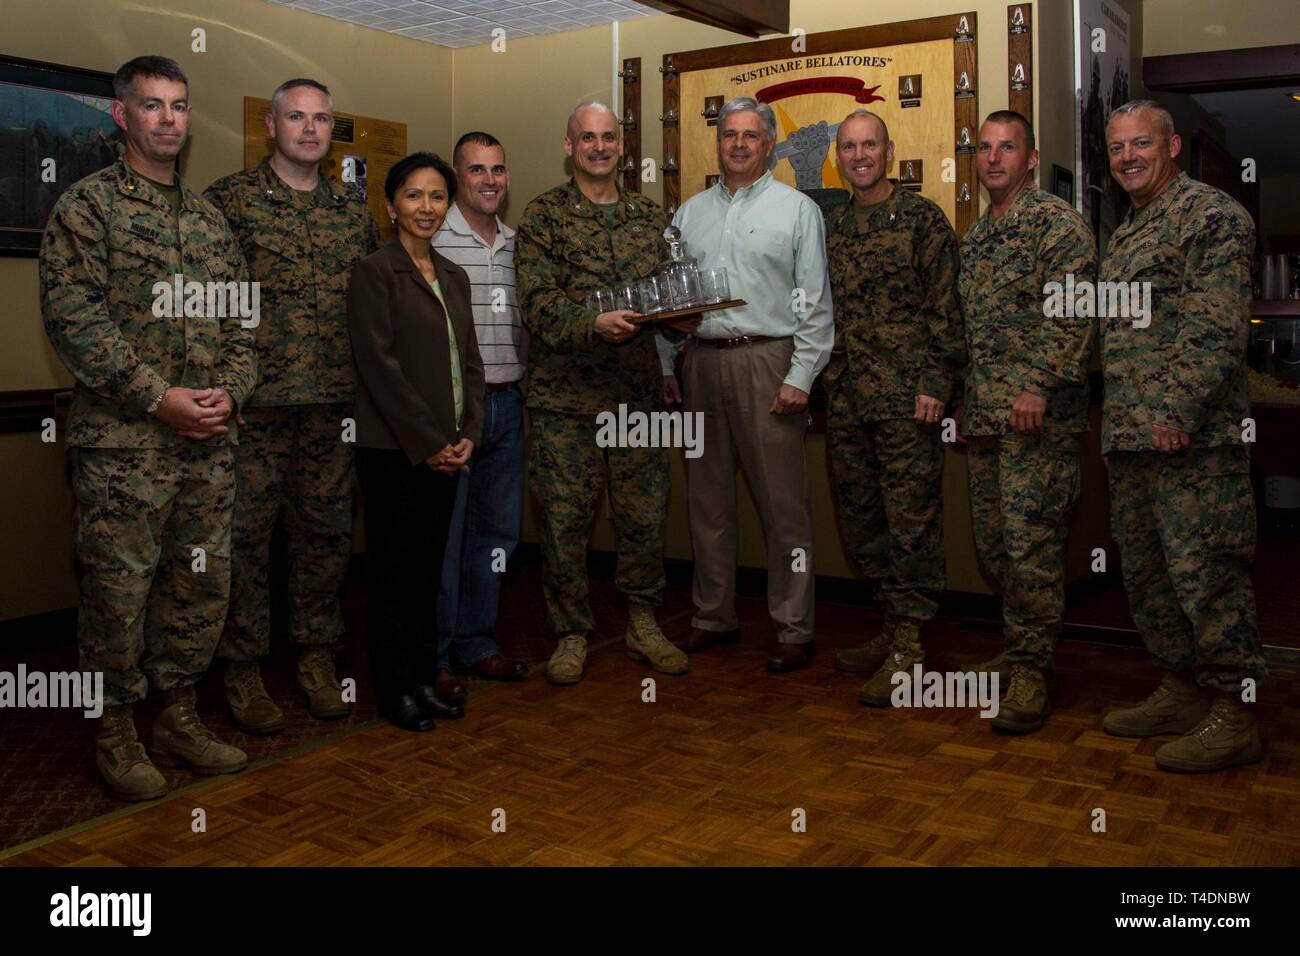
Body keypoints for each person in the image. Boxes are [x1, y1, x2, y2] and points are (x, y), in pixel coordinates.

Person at [39, 55, 256, 800]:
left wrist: (229, 390)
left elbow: (243, 324)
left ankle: (178, 716)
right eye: (153, 105)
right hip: (125, 450)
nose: (169, 118)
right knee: (118, 596)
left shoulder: (208, 221)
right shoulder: (86, 207)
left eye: (180, 105)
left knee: (198, 589)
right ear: (122, 116)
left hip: (208, 447)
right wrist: (156, 396)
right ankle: (115, 731)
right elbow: (75, 320)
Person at [205, 78, 380, 733]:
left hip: (332, 406)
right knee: (243, 541)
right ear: (272, 127)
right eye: (296, 117)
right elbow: (210, 306)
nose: (310, 129)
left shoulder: (351, 211)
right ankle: (243, 668)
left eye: (321, 119)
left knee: (325, 538)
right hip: (255, 408)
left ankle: (314, 657)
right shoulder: (230, 202)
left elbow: (368, 313)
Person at [1098, 100, 1265, 772]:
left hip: (1193, 442)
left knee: (1209, 576)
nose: (1128, 157)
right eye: (1116, 148)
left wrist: (1174, 410)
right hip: (1131, 439)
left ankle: (1235, 712)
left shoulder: (1214, 217)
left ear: (1172, 146)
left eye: (1141, 143)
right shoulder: (1125, 233)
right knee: (1148, 576)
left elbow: (1217, 329)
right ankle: (1182, 687)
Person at [516, 101, 697, 686]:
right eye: (586, 138)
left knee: (644, 518)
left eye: (609, 138)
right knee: (564, 523)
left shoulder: (652, 219)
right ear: (569, 147)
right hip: (564, 401)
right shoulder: (543, 217)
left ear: (622, 147)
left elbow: (674, 294)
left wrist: (683, 321)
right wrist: (591, 324)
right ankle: (570, 633)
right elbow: (537, 305)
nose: (599, 147)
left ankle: (643, 623)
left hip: (636, 399)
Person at [661, 95, 833, 672]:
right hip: (702, 362)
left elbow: (814, 304)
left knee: (784, 509)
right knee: (707, 503)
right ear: (719, 142)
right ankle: (714, 617)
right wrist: (668, 364)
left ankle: (793, 626)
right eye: (729, 134)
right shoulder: (688, 214)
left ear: (769, 144)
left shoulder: (797, 210)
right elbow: (670, 298)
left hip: (769, 362)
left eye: (750, 135)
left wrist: (801, 377)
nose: (738, 144)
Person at [956, 110, 1096, 733]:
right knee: (995, 545)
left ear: (1031, 159)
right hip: (986, 420)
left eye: (1006, 147)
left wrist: (1038, 383)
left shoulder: (1056, 226)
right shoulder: (978, 236)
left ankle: (1033, 671)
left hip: (1037, 422)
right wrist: (963, 398)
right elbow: (971, 334)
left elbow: (1073, 313)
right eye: (984, 148)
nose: (992, 158)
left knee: (1032, 545)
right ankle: (1019, 649)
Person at [821, 110, 965, 705]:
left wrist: (936, 382)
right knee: (861, 522)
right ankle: (889, 626)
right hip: (849, 399)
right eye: (849, 147)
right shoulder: (832, 226)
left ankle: (911, 643)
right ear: (838, 154)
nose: (859, 156)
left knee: (911, 526)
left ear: (888, 150)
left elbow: (945, 310)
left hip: (909, 402)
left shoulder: (922, 220)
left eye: (869, 145)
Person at [347, 152, 483, 731]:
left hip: (449, 452)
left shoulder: (454, 275)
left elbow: (470, 365)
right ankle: (395, 689)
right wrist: (429, 442)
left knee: (429, 574)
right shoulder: (374, 272)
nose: (425, 207)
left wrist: (469, 434)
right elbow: (379, 368)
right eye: (413, 196)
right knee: (393, 576)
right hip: (394, 452)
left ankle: (425, 680)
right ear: (390, 206)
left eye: (436, 197)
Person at [430, 131, 529, 702]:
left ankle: (476, 642)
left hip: (508, 403)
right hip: (454, 410)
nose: (489, 180)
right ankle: (438, 655)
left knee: (496, 534)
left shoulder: (519, 244)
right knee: (446, 536)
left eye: (497, 169)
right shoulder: (435, 242)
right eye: (476, 170)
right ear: (456, 176)